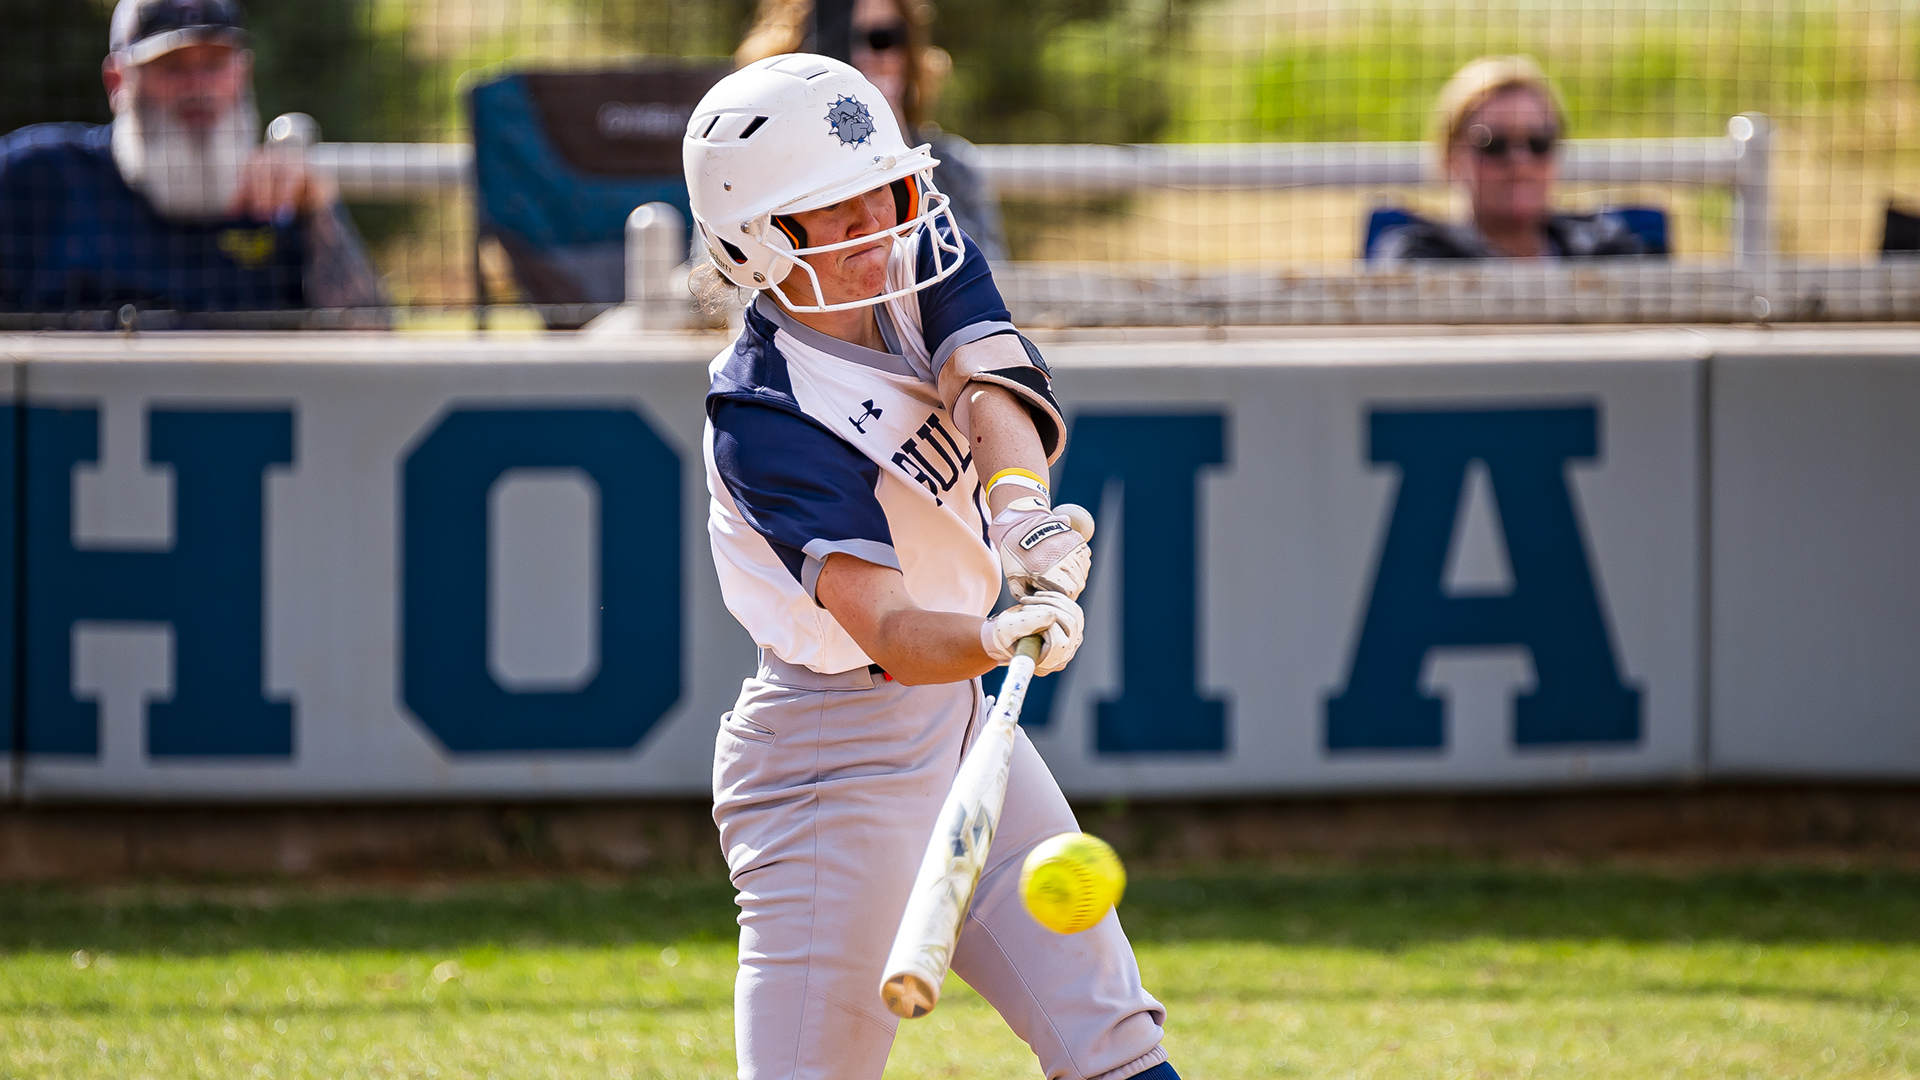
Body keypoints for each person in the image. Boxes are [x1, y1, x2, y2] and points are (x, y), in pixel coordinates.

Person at [689, 54, 1176, 1080]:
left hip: (958, 722)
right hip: (831, 759)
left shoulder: (917, 243)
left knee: (1113, 1039)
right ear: (759, 242)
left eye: (887, 186)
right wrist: (997, 637)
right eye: (837, 205)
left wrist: (1020, 516)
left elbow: (987, 380)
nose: (879, 217)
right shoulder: (764, 415)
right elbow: (897, 635)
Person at [0, 0, 385, 319]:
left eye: (214, 64)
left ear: (243, 72)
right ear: (118, 82)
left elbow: (373, 355)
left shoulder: (279, 206)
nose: (199, 86)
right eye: (172, 66)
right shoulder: (38, 180)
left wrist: (318, 208)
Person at [735, 0, 1011, 261]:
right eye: (842, 42)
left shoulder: (953, 166)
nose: (865, 58)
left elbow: (986, 274)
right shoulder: (758, 172)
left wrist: (901, 156)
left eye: (883, 38)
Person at [1374, 55, 1663, 262]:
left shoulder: (1608, 245)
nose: (1521, 162)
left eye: (1539, 142)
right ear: (1451, 157)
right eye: (1493, 143)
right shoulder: (1415, 256)